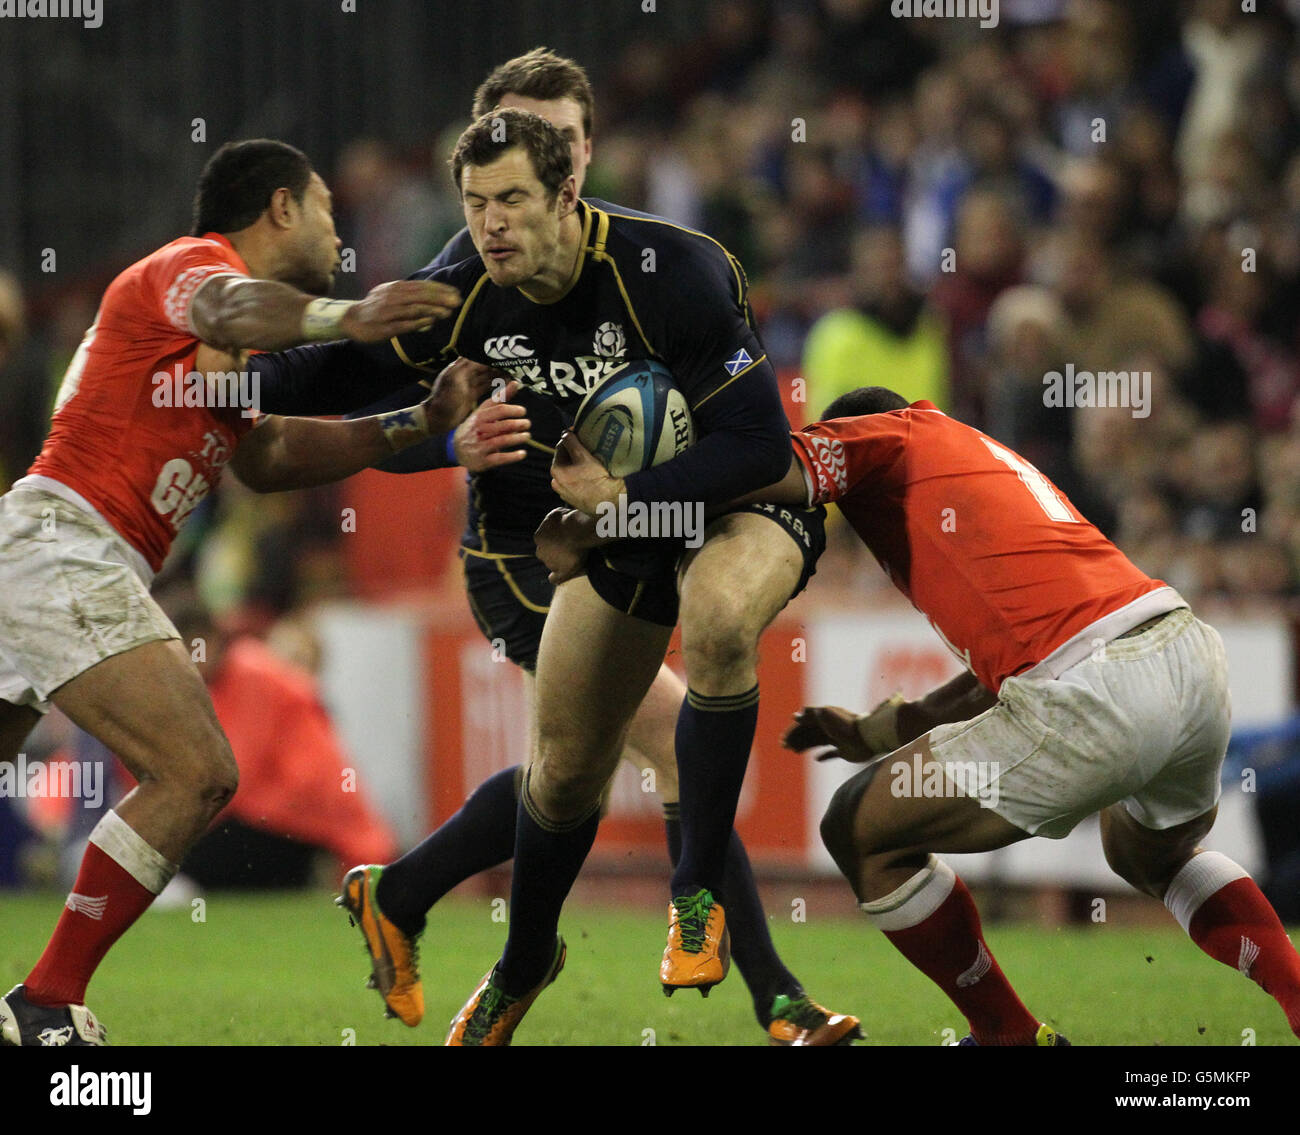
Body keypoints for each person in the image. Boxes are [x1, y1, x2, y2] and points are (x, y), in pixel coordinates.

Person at [250, 108, 828, 1045]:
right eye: (476, 203)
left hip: (655, 524)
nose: (491, 225)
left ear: (570, 187)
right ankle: (764, 996)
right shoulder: (462, 288)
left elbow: (761, 442)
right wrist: (206, 376)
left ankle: (416, 902)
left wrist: (625, 499)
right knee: (583, 770)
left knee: (594, 765)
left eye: (512, 198)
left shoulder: (669, 270)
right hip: (527, 555)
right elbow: (347, 389)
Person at [0, 138, 492, 1046]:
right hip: (67, 543)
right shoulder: (196, 270)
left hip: (41, 549)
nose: (336, 231)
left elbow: (265, 458)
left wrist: (418, 422)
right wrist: (349, 316)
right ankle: (46, 997)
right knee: (197, 771)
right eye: (325, 211)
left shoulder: (221, 349)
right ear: (280, 209)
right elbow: (235, 303)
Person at [705, 385, 1300, 1045]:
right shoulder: (973, 453)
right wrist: (879, 729)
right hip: (1186, 656)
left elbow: (764, 467)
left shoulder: (890, 436)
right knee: (1153, 854)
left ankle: (1005, 1033)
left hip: (1092, 691)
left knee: (859, 827)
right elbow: (1003, 668)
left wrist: (632, 502)